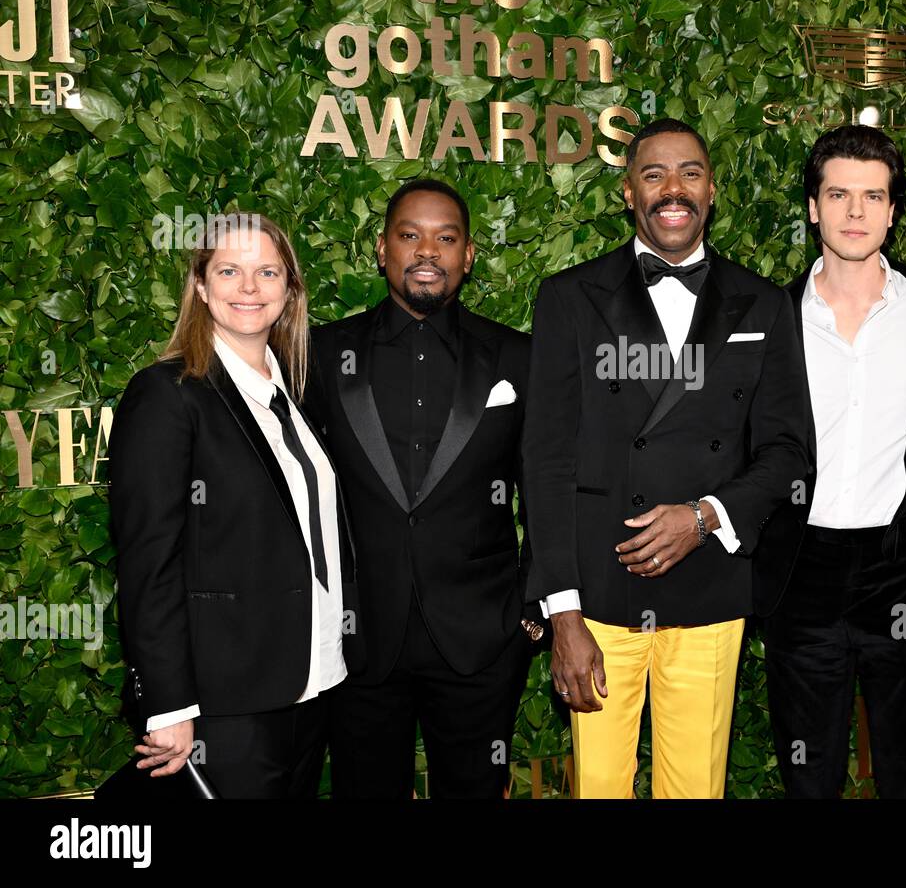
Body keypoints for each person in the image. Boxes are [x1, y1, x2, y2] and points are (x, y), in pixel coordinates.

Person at [523, 117, 811, 799]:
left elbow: (788, 449)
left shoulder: (764, 304)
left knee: (695, 789)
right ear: (628, 192)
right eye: (653, 174)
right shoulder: (569, 298)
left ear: (712, 190)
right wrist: (562, 612)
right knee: (599, 787)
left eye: (689, 173)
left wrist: (706, 515)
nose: (671, 189)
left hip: (709, 587)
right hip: (598, 592)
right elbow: (545, 460)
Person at [110, 213, 358, 798]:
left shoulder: (297, 390)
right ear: (200, 286)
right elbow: (149, 564)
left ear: (289, 289)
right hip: (223, 701)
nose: (249, 288)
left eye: (267, 272)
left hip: (315, 681)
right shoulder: (167, 395)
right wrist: (168, 704)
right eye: (229, 271)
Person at [757, 125, 906, 798]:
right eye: (839, 194)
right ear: (813, 207)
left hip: (902, 571)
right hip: (800, 572)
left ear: (893, 210)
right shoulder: (770, 316)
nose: (856, 212)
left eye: (873, 196)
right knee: (808, 773)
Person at [304, 179, 533, 799]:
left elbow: (548, 488)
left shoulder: (518, 357)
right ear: (382, 249)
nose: (427, 251)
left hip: (481, 639)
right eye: (409, 235)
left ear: (469, 254)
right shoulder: (320, 354)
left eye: (445, 237)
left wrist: (532, 615)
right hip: (358, 639)